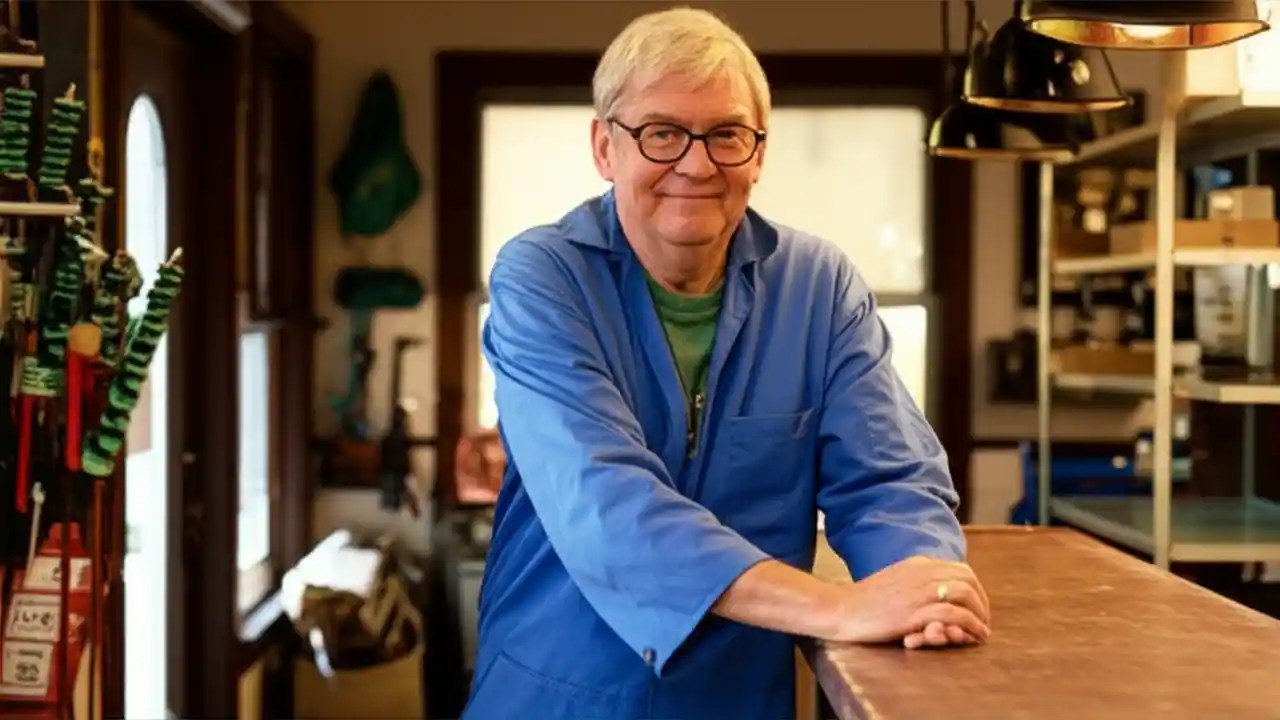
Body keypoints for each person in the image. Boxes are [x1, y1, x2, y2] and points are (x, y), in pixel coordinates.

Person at [463, 8, 991, 719]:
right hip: (557, 693)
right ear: (604, 147)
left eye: (727, 134)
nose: (697, 162)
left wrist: (922, 591)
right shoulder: (542, 278)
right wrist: (838, 610)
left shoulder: (819, 286)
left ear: (759, 151)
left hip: (736, 699)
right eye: (661, 133)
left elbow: (888, 480)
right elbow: (605, 502)